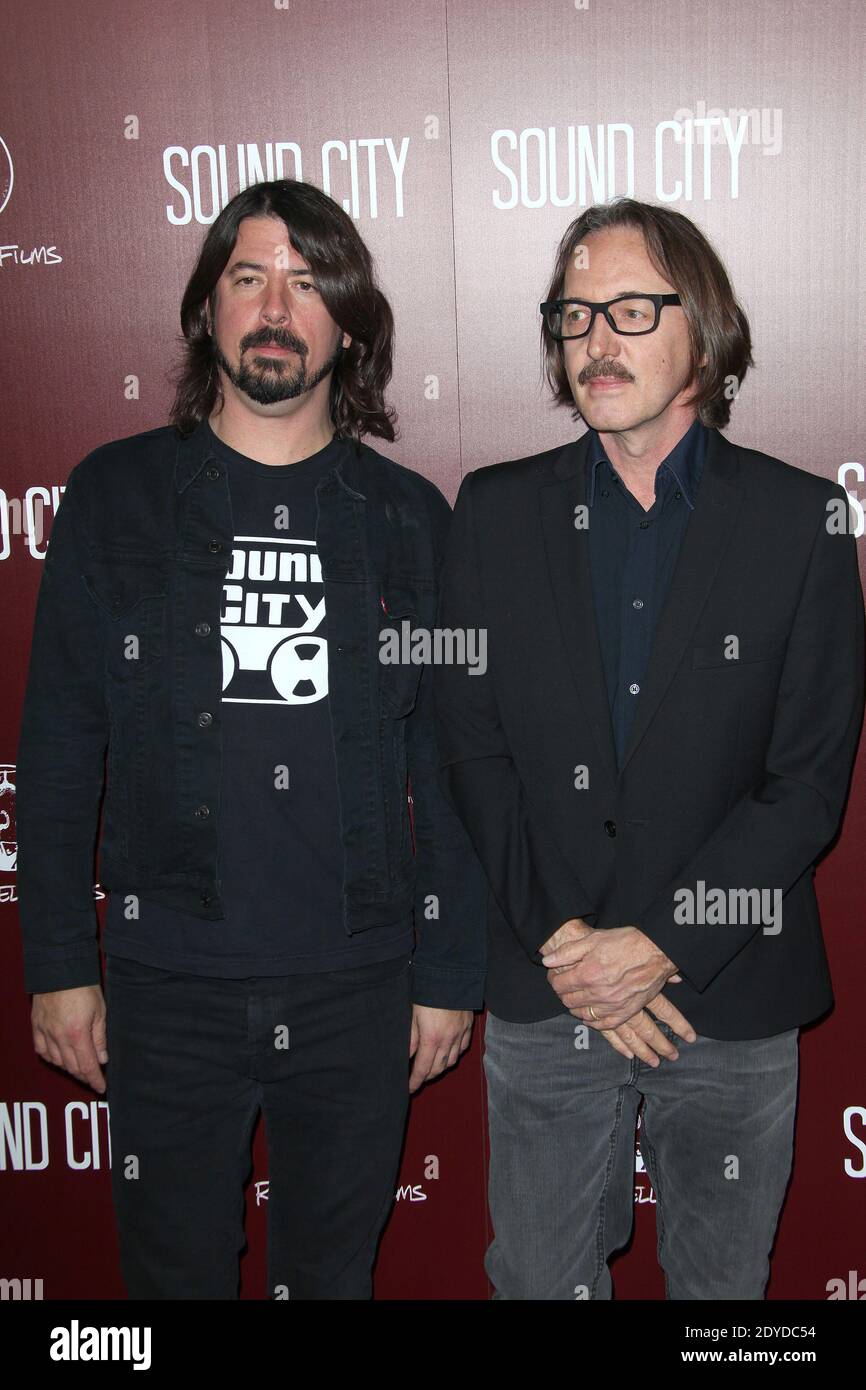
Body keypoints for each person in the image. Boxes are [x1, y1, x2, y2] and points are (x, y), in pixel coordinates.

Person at [16, 178, 486, 1300]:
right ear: (207, 310)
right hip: (165, 982)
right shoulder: (115, 496)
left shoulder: (412, 519)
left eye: (309, 280)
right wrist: (57, 967)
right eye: (248, 277)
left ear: (350, 325)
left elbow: (451, 769)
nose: (277, 305)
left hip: (356, 984)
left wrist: (450, 969)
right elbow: (59, 749)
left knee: (331, 1281)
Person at [433, 197, 864, 1300]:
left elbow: (804, 787)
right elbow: (472, 752)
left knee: (722, 1298)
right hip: (550, 983)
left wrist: (659, 943)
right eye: (572, 316)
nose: (595, 340)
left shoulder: (799, 521)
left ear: (703, 327)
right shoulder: (492, 512)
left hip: (724, 990)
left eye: (630, 309)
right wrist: (570, 945)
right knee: (535, 1282)